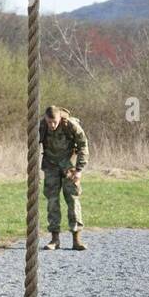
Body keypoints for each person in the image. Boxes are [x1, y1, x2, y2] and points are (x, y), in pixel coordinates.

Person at [40, 105, 89, 251]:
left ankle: (76, 239)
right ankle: (55, 239)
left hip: (69, 166)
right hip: (51, 165)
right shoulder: (41, 126)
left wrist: (79, 170)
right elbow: (32, 145)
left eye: (54, 122)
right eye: (49, 122)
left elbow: (83, 146)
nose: (52, 125)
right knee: (52, 201)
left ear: (60, 118)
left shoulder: (71, 125)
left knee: (72, 199)